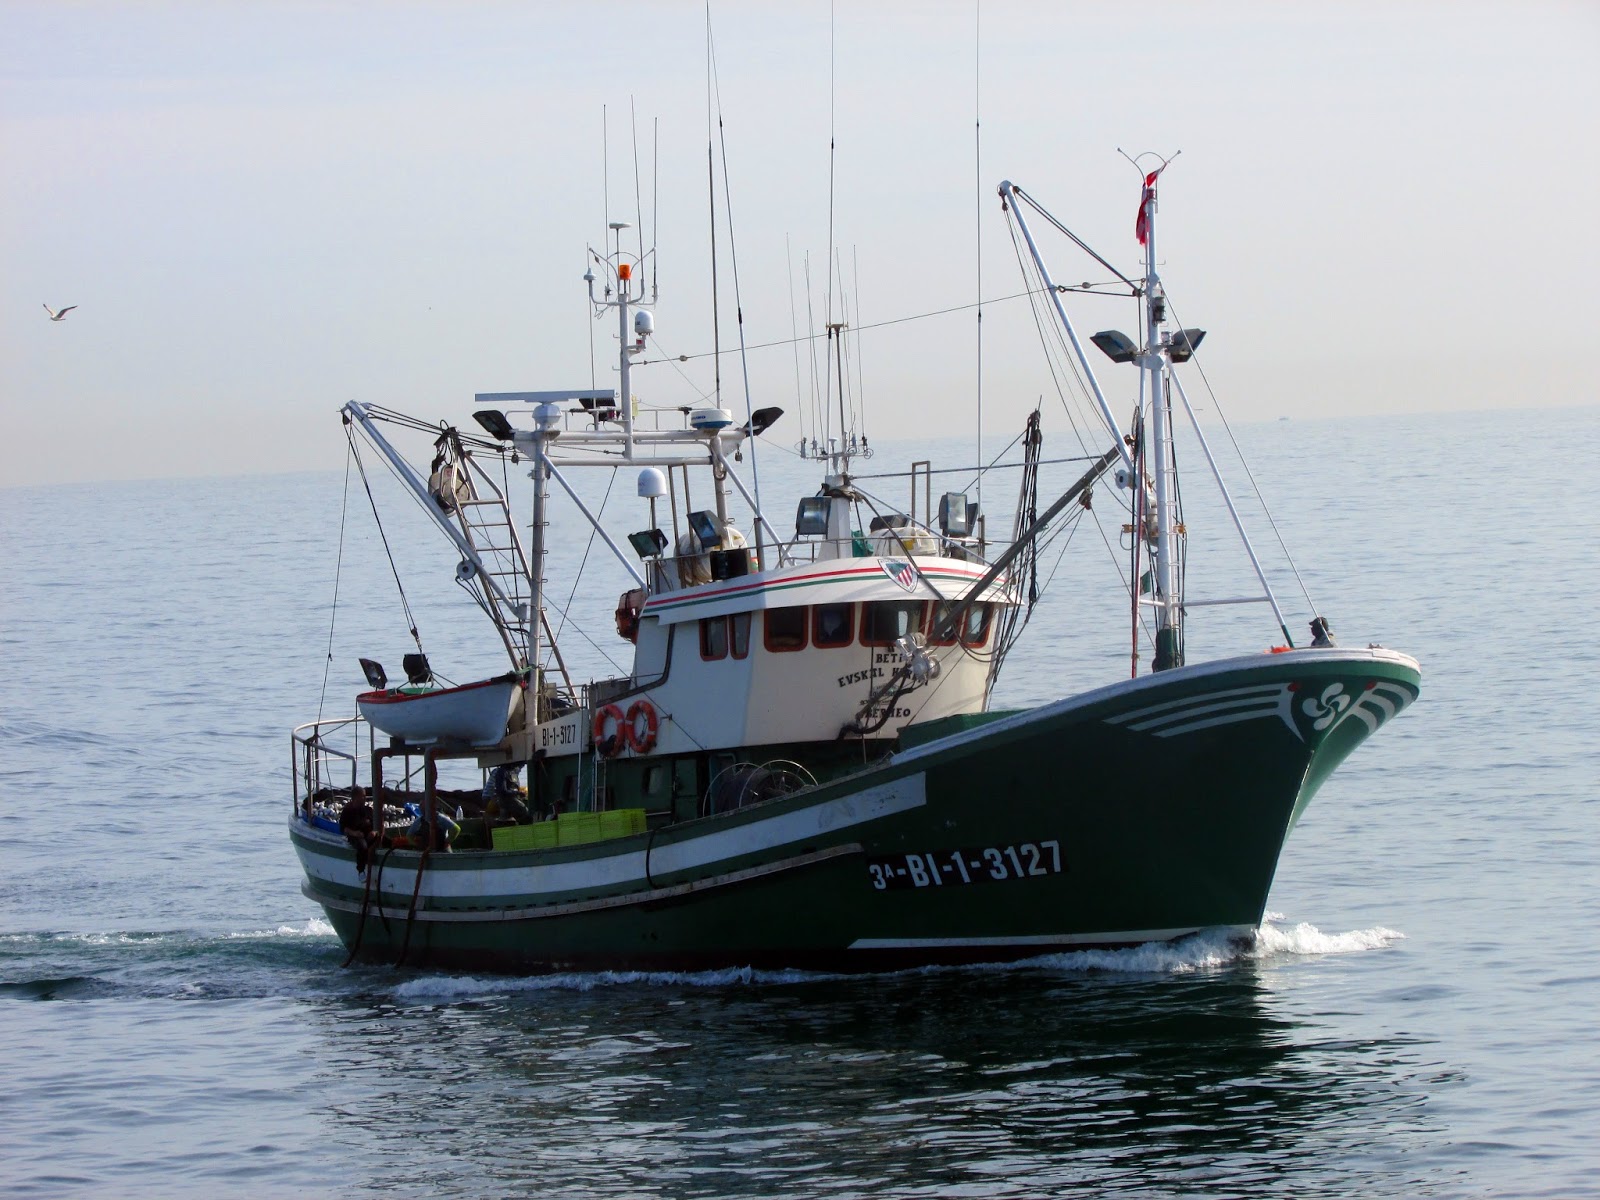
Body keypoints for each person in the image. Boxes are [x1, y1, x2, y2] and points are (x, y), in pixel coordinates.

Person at [339, 786, 379, 873]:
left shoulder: (368, 810)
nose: (365, 798)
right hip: (356, 836)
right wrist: (355, 833)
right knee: (362, 846)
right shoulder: (347, 811)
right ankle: (361, 870)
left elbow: (375, 826)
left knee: (385, 840)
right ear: (356, 797)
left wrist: (374, 832)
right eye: (363, 796)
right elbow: (343, 828)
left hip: (368, 834)